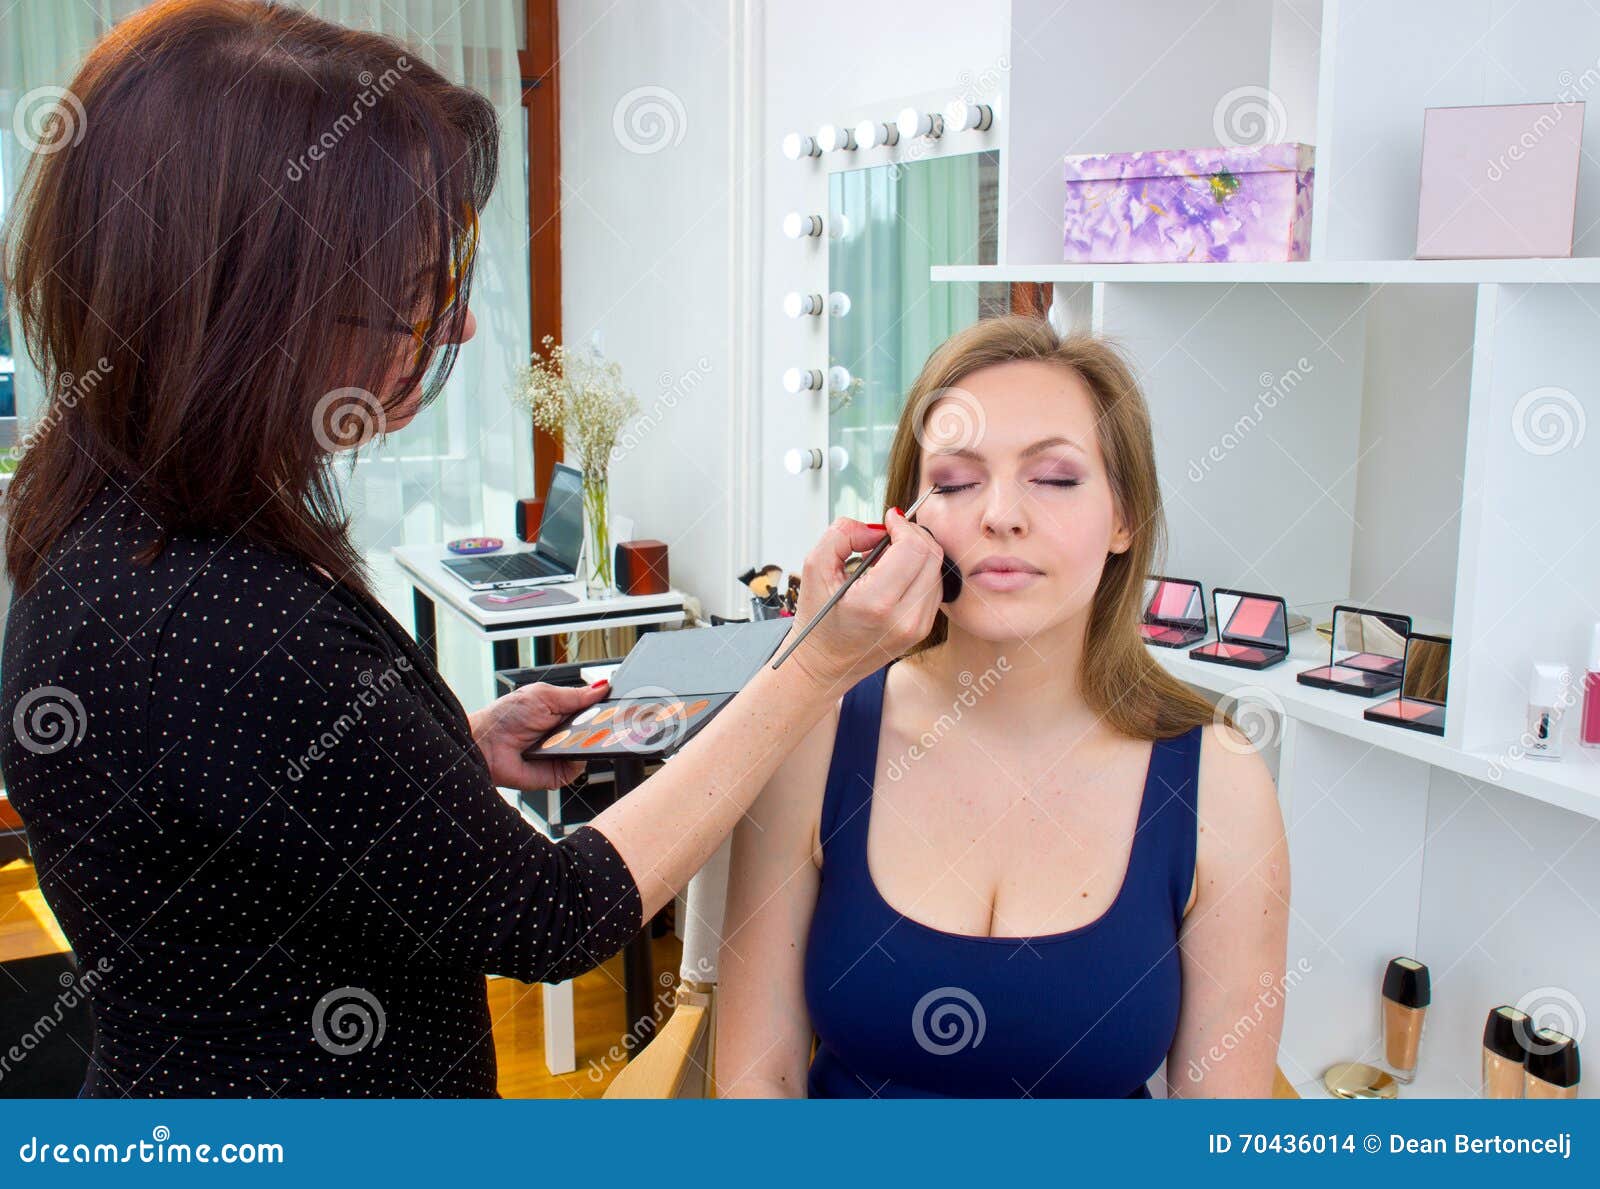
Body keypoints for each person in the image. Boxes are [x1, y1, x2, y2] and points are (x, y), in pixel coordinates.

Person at [0, 0, 945, 1097]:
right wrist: (812, 666)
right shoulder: (226, 612)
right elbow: (546, 917)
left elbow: (240, 789)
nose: (455, 327)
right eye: (412, 291)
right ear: (258, 304)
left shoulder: (122, 526)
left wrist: (449, 746)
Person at [717, 317, 1292, 1098]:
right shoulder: (815, 736)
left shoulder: (1221, 783)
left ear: (1125, 516)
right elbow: (759, 1084)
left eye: (1054, 478)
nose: (1001, 514)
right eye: (954, 481)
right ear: (905, 522)